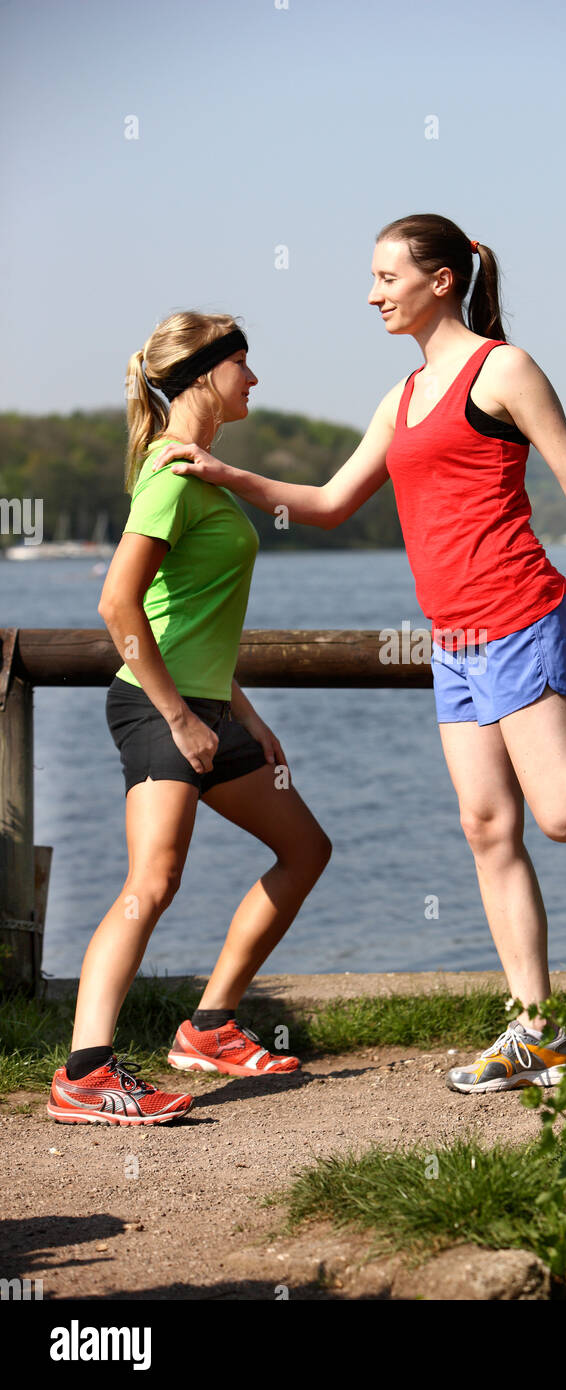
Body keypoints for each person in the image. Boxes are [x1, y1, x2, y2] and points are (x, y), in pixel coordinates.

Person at [149, 215, 566, 1096]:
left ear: (441, 280)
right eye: (374, 277)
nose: (373, 292)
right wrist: (229, 475)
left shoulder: (502, 368)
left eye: (388, 276)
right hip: (454, 641)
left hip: (520, 615)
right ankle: (536, 1032)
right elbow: (331, 501)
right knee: (487, 829)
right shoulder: (404, 396)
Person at [47, 312, 332, 1126]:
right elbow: (118, 604)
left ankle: (209, 1027)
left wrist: (245, 713)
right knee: (153, 881)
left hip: (204, 707)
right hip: (156, 705)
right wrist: (179, 718)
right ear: (206, 373)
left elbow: (195, 615)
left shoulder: (201, 471)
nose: (255, 379)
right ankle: (86, 1072)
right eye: (245, 364)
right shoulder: (170, 475)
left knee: (304, 848)